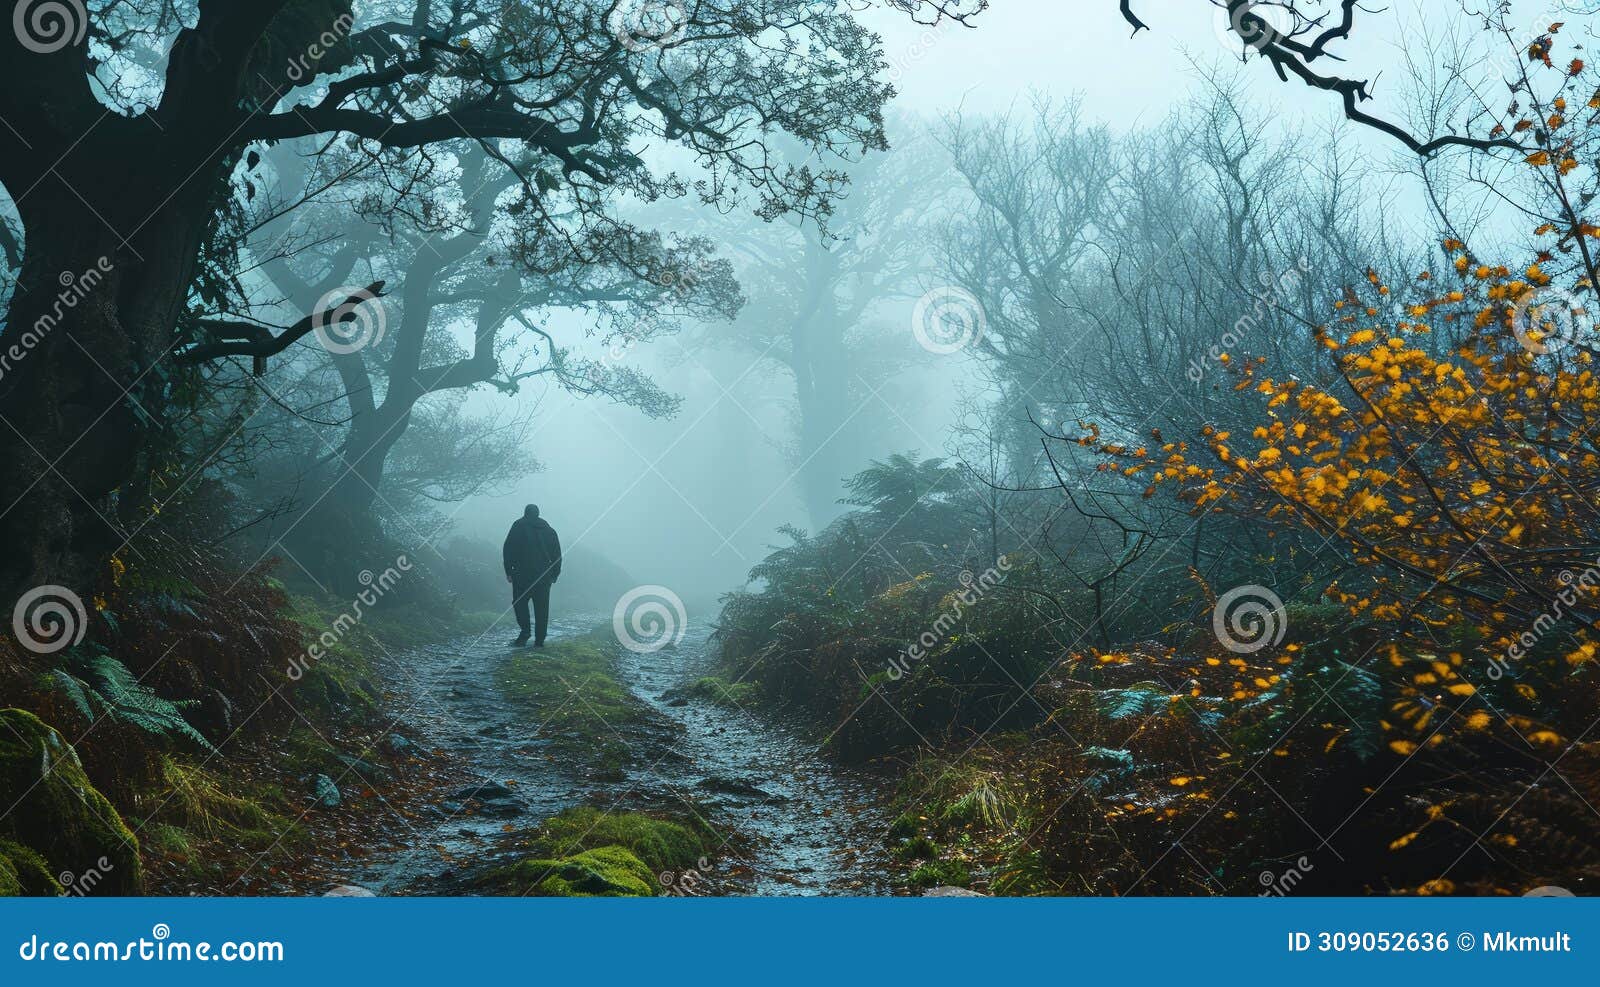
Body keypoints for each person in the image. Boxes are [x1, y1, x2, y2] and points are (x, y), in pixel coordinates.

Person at [502, 504, 561, 647]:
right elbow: (557, 555)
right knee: (542, 608)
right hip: (544, 576)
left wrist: (509, 571)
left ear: (525, 513)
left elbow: (508, 549)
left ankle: (525, 632)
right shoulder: (549, 530)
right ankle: (539, 640)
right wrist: (554, 574)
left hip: (522, 574)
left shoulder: (518, 526)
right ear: (538, 514)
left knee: (519, 603)